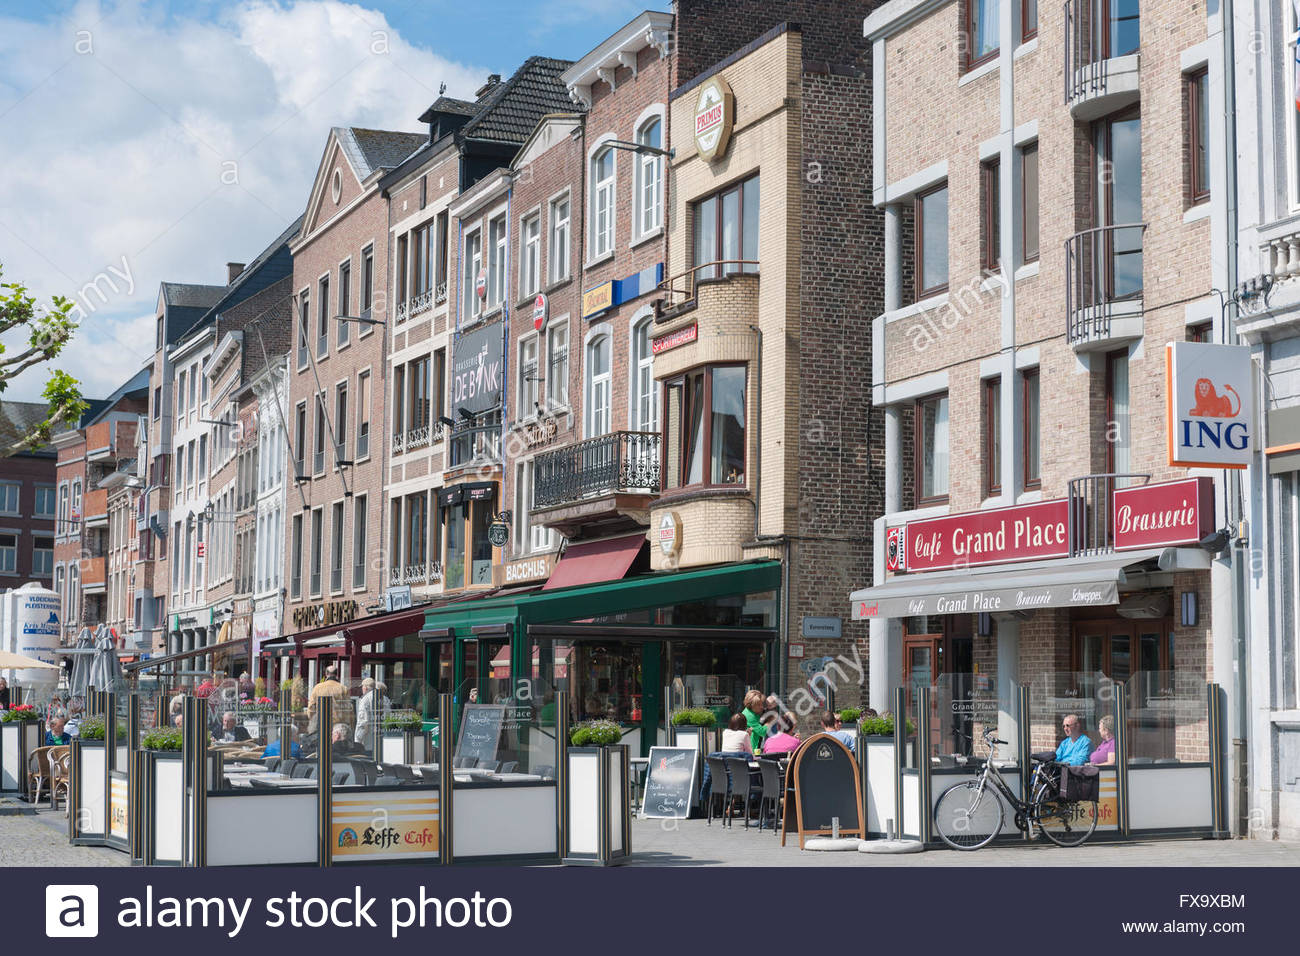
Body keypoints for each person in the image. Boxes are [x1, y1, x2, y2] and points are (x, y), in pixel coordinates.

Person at [307, 665, 350, 734]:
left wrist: (313, 720)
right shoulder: (343, 688)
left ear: (326, 674)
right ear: (336, 674)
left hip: (321, 722)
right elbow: (347, 708)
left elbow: (311, 707)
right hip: (338, 725)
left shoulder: (317, 688)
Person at [353, 678, 391, 745]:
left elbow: (363, 720)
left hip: (369, 736)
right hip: (383, 733)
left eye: (362, 687)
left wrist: (358, 738)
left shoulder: (365, 699)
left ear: (365, 688)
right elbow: (388, 716)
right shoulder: (385, 698)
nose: (362, 689)